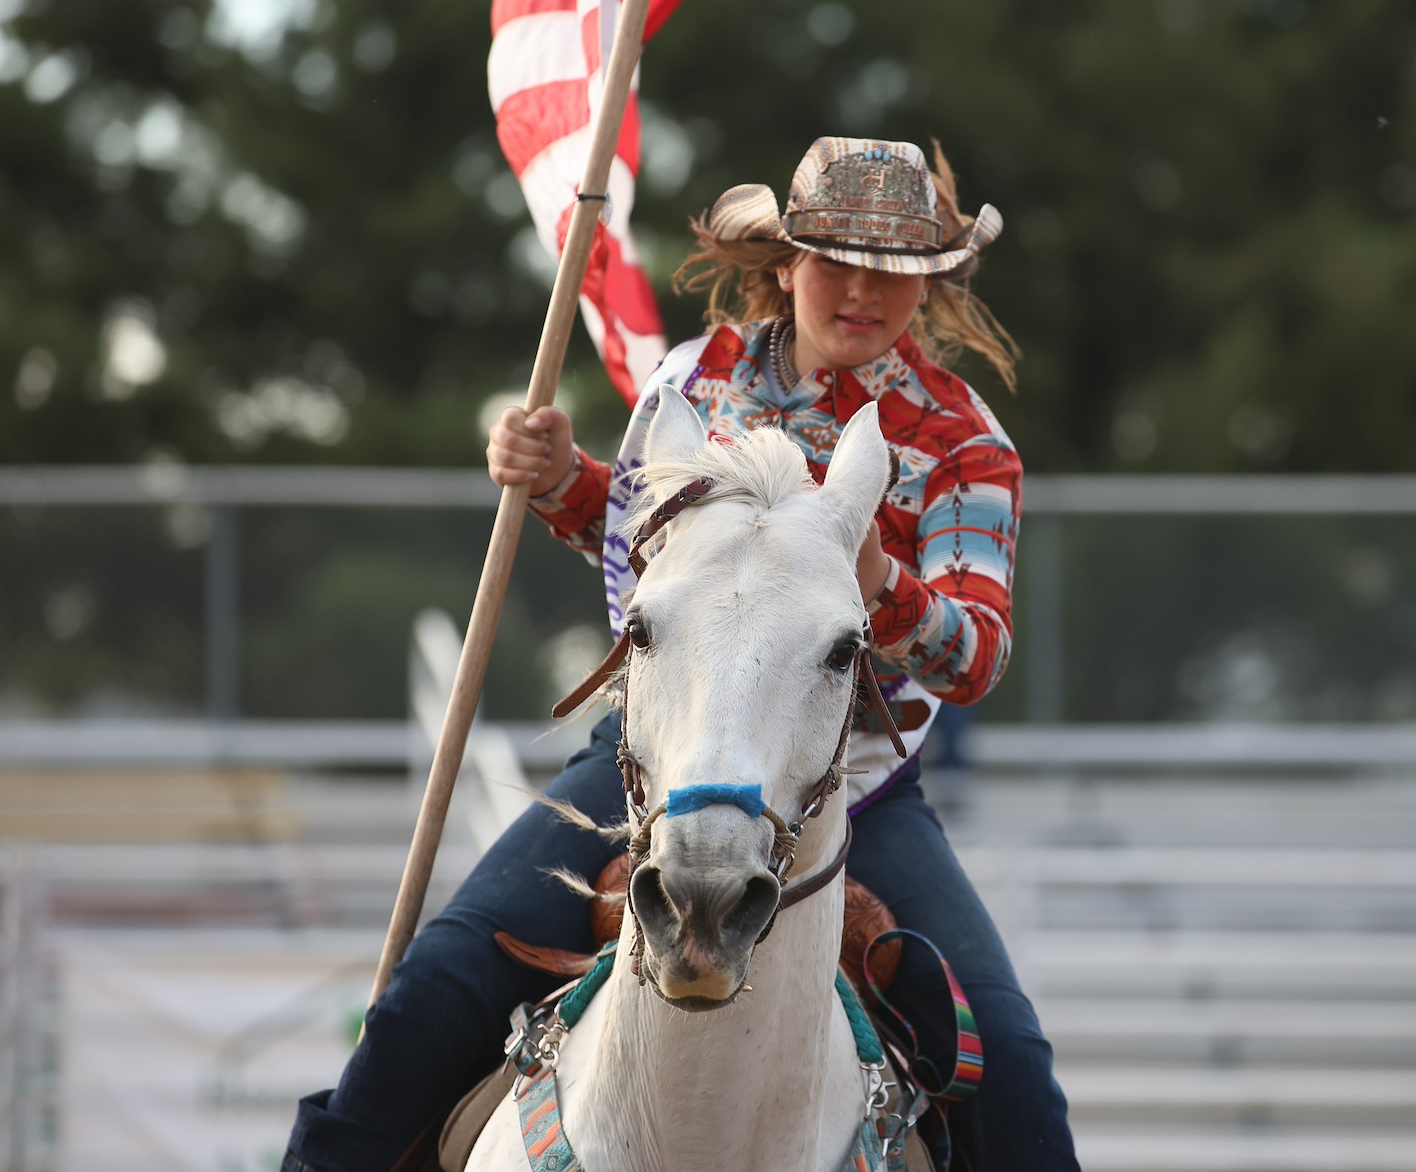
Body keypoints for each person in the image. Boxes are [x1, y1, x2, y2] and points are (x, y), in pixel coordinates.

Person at [283, 137, 1077, 1171]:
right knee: (434, 985)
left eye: (894, 270)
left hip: (854, 783)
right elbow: (645, 551)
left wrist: (881, 585)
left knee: (1006, 1060)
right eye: (836, 262)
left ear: (929, 281)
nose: (863, 292)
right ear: (785, 262)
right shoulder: (690, 384)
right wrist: (562, 478)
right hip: (652, 754)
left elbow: (973, 658)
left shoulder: (965, 443)